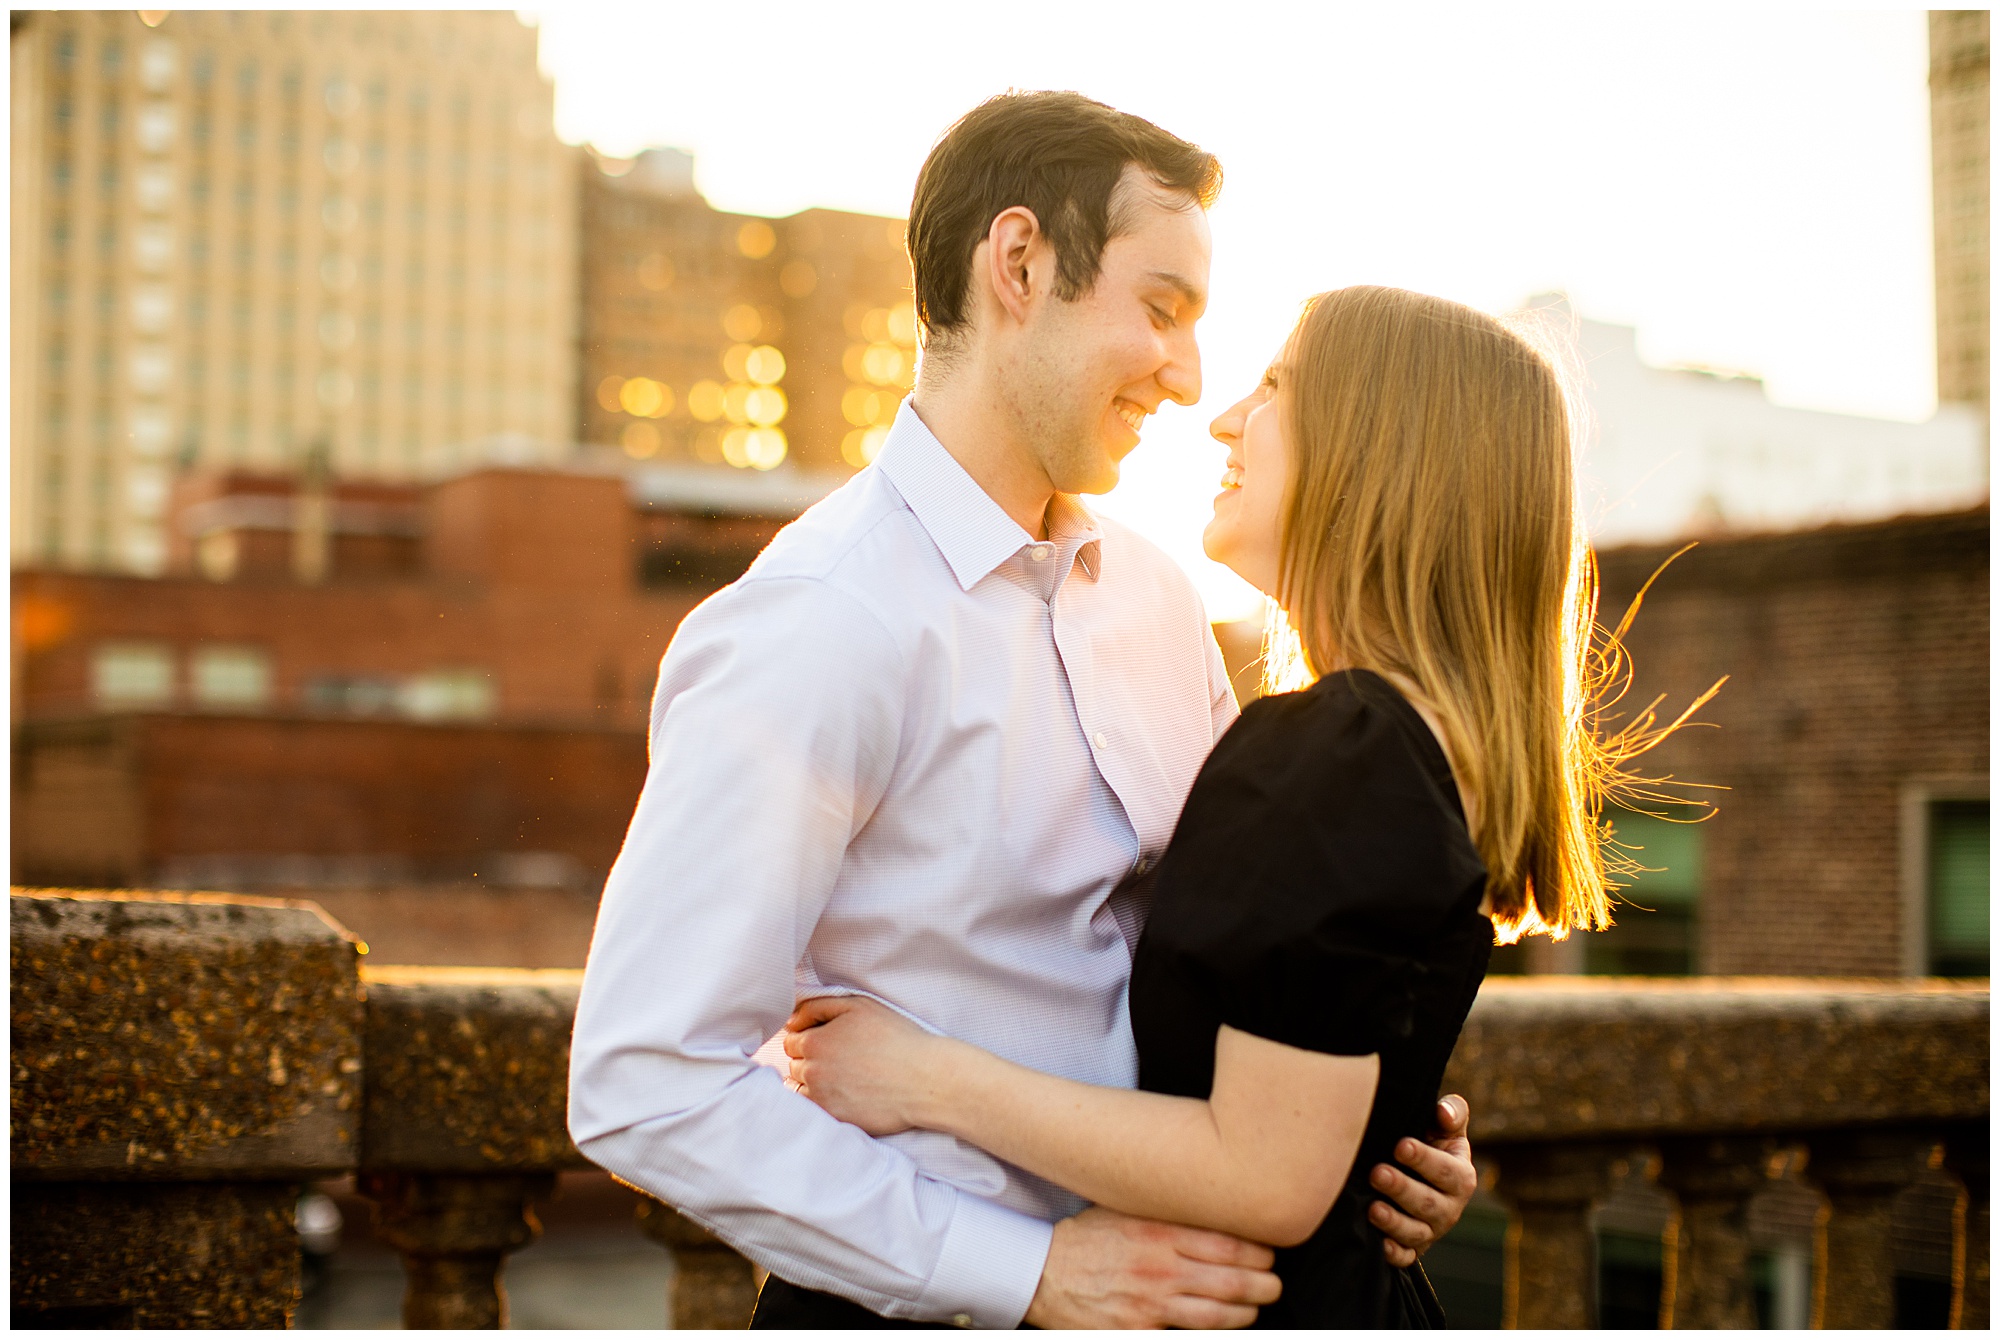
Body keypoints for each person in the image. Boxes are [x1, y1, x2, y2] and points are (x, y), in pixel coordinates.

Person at [567, 94, 1479, 1329]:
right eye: (1158, 309)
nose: (1188, 373)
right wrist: (1024, 1274)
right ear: (1019, 264)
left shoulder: (1160, 602)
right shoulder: (816, 621)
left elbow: (1258, 958)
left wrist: (1369, 1138)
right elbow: (645, 1080)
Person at [784, 285, 1666, 1326]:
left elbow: (1261, 1177)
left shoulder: (1337, 753)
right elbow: (1310, 1081)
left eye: (1276, 388)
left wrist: (924, 1074)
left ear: (1373, 449)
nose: (1224, 416)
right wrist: (1382, 1136)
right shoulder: (1413, 752)